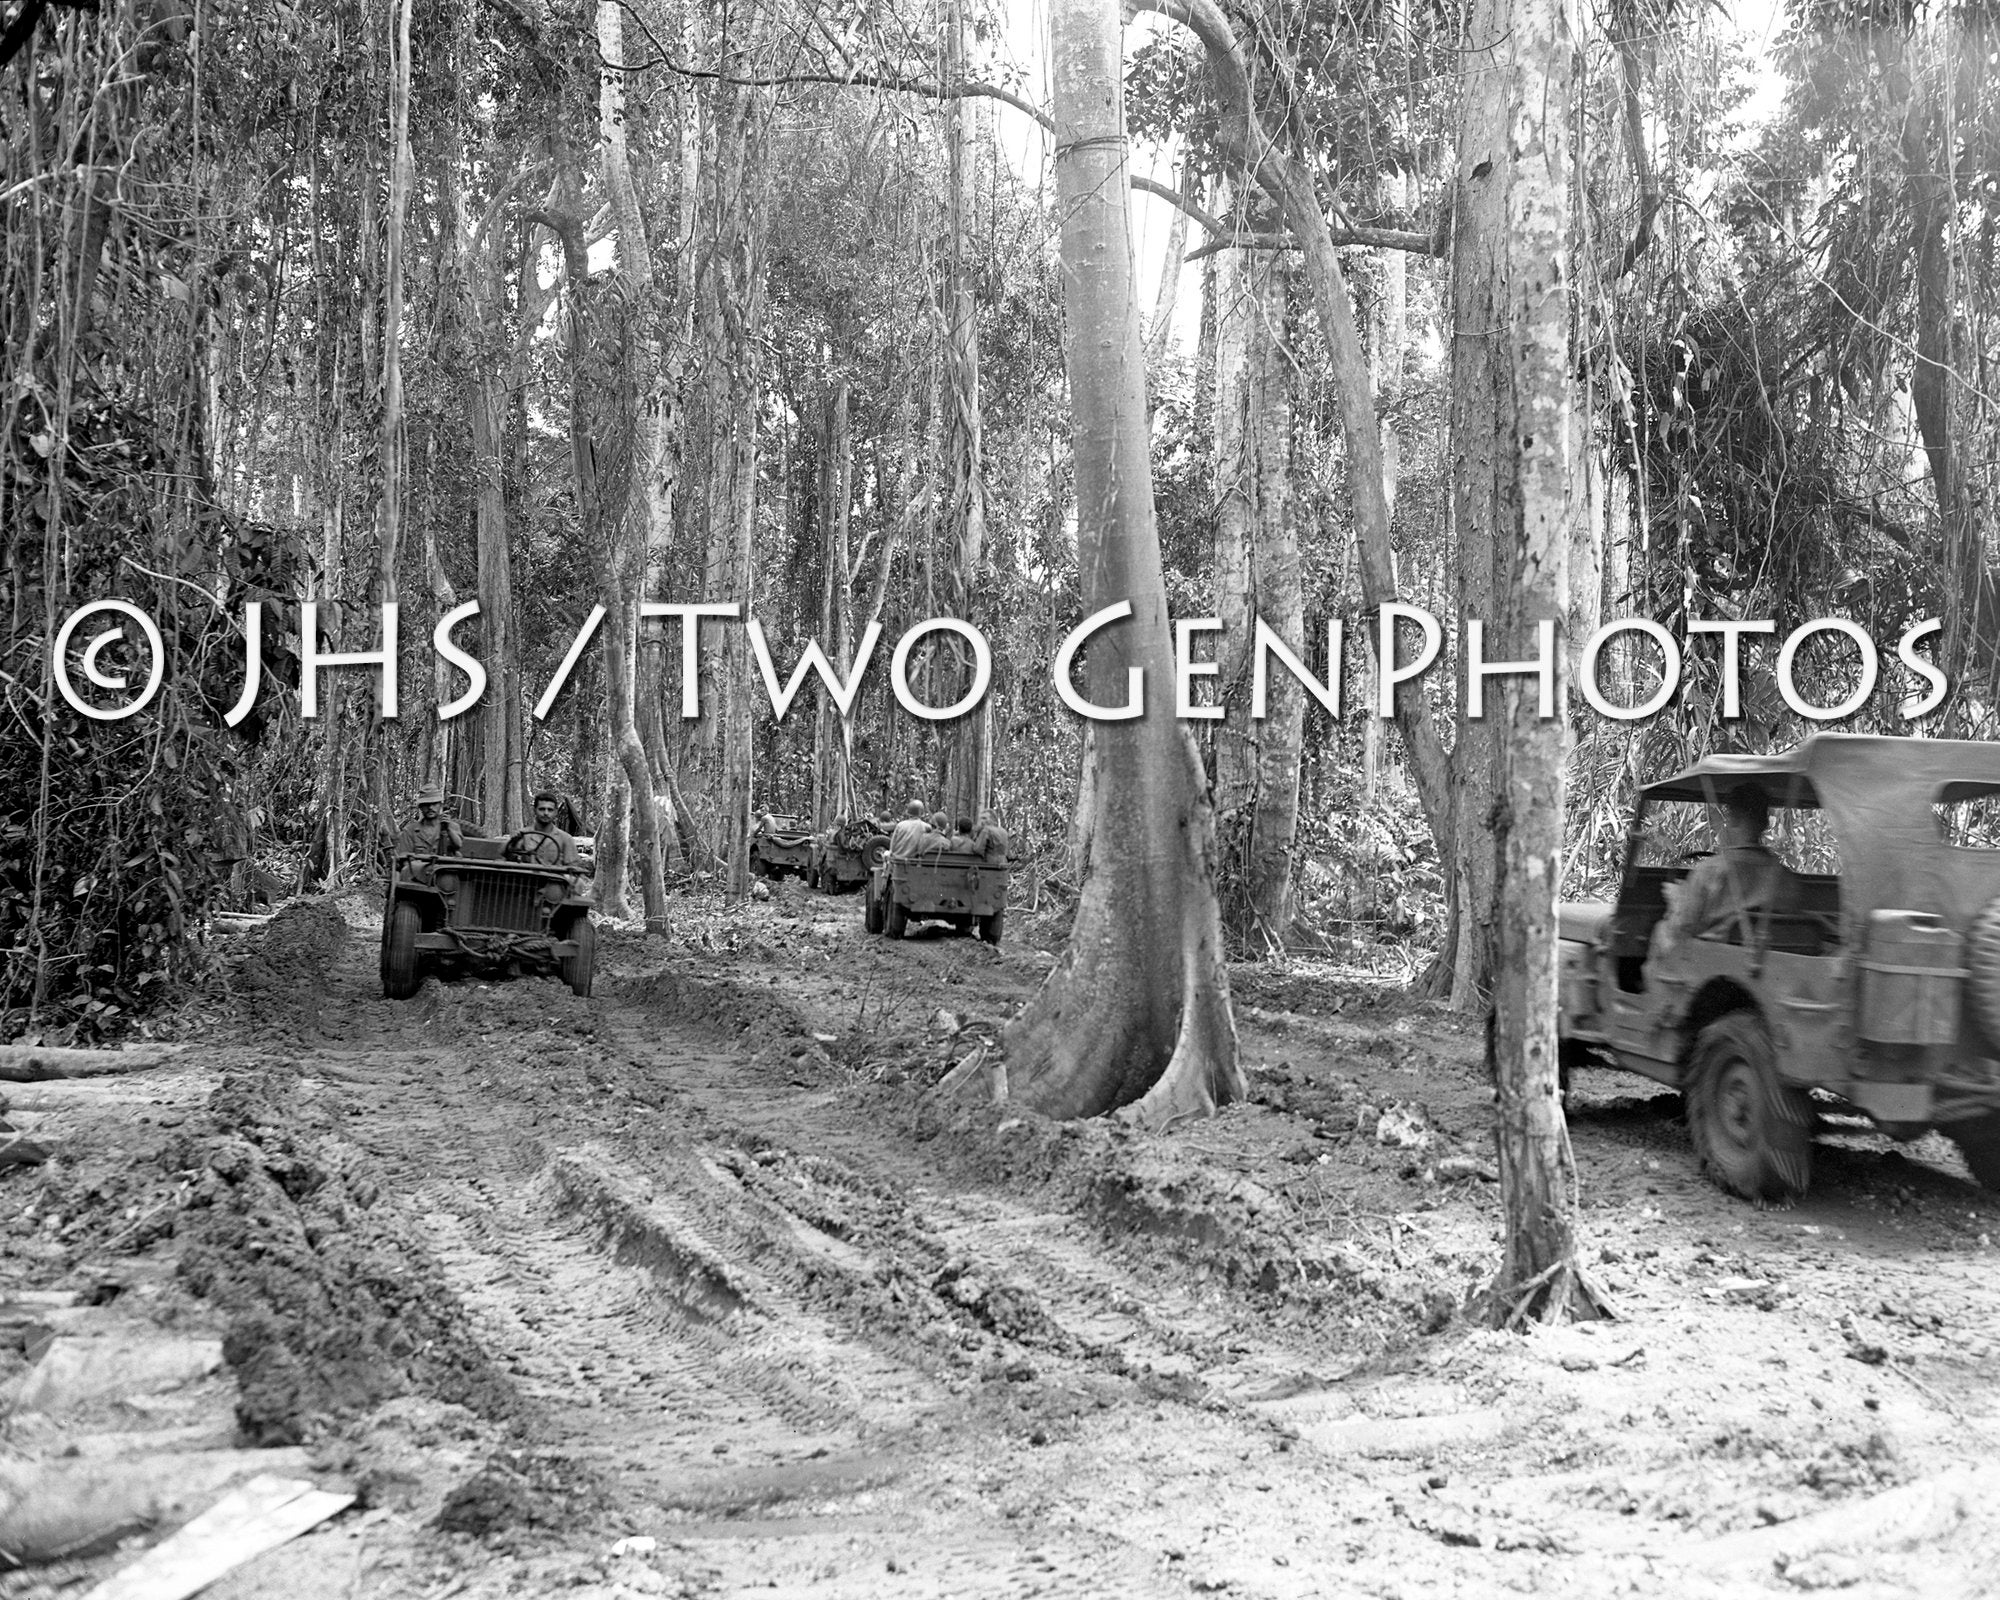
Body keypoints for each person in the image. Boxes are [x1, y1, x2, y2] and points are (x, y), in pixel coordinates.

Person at [1664, 784, 1801, 946]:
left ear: (1733, 819)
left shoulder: (1709, 871)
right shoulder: (1785, 877)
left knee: (1662, 931)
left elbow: (1683, 928)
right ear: (1765, 822)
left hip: (1716, 958)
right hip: (1778, 958)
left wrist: (1676, 901)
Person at [517, 788, 579, 869]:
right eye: (542, 809)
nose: (546, 813)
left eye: (550, 810)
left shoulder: (566, 839)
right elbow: (510, 859)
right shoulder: (522, 835)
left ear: (555, 812)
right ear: (534, 810)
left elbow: (573, 869)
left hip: (555, 876)